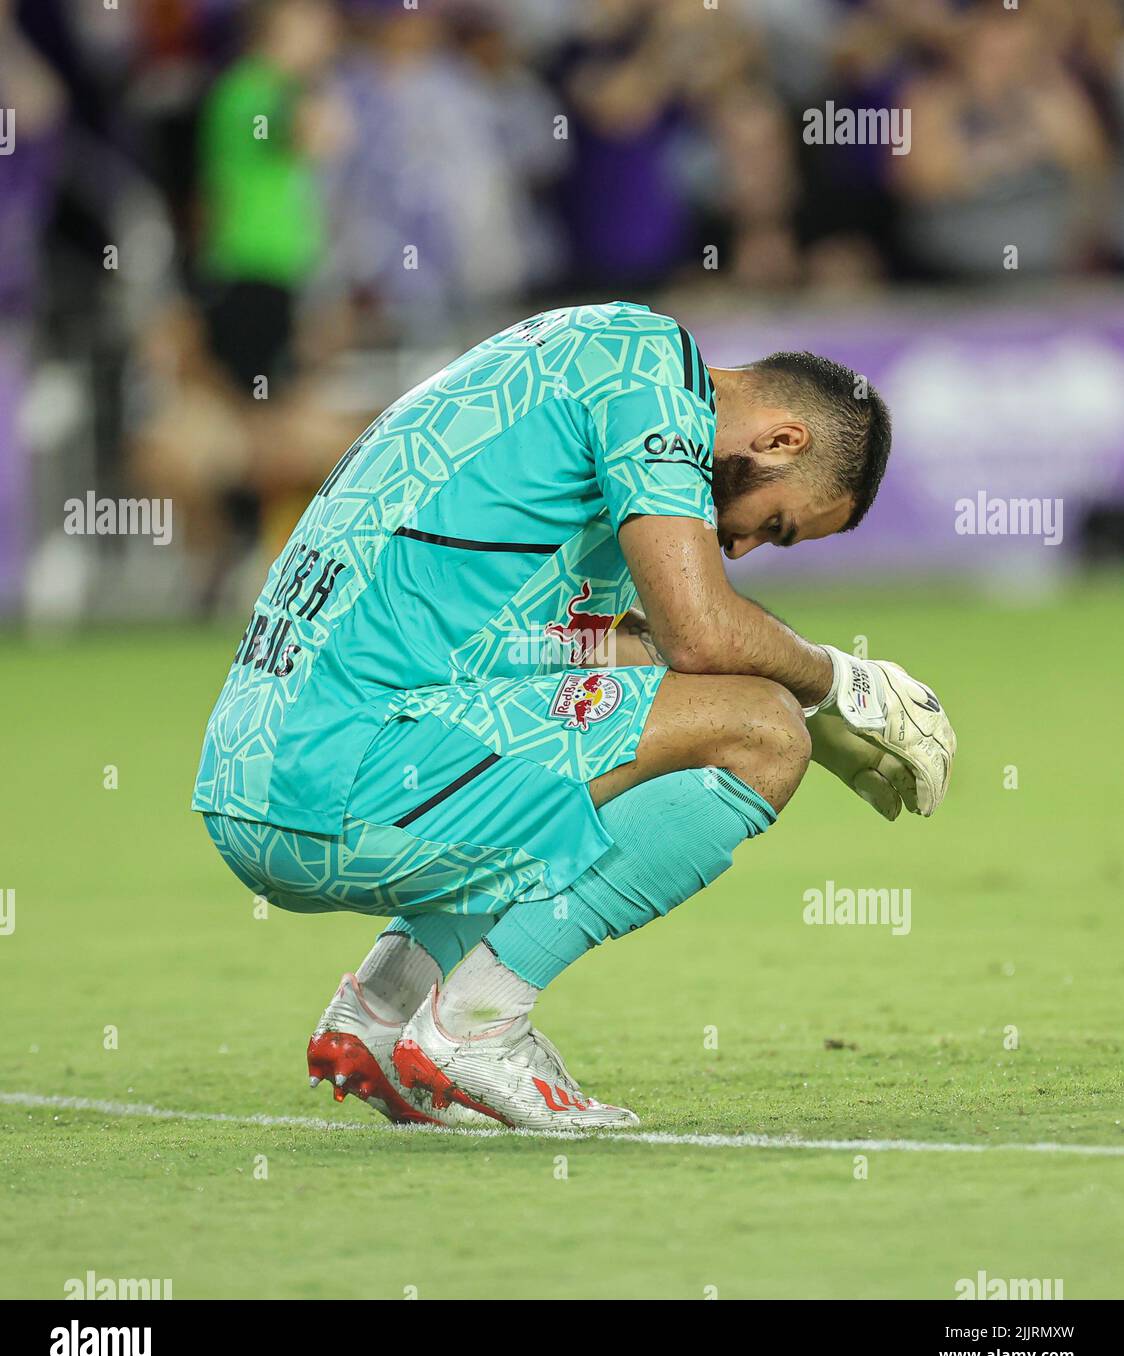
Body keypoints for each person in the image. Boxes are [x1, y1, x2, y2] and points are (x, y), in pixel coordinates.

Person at [191, 300, 956, 1129]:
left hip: (262, 777)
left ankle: (383, 1009)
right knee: (762, 733)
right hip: (346, 779)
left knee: (677, 727)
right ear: (780, 440)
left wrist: (810, 702)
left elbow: (541, 646)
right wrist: (841, 684)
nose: (740, 548)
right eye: (774, 525)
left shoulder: (573, 360)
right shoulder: (652, 372)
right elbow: (699, 634)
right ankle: (477, 1027)